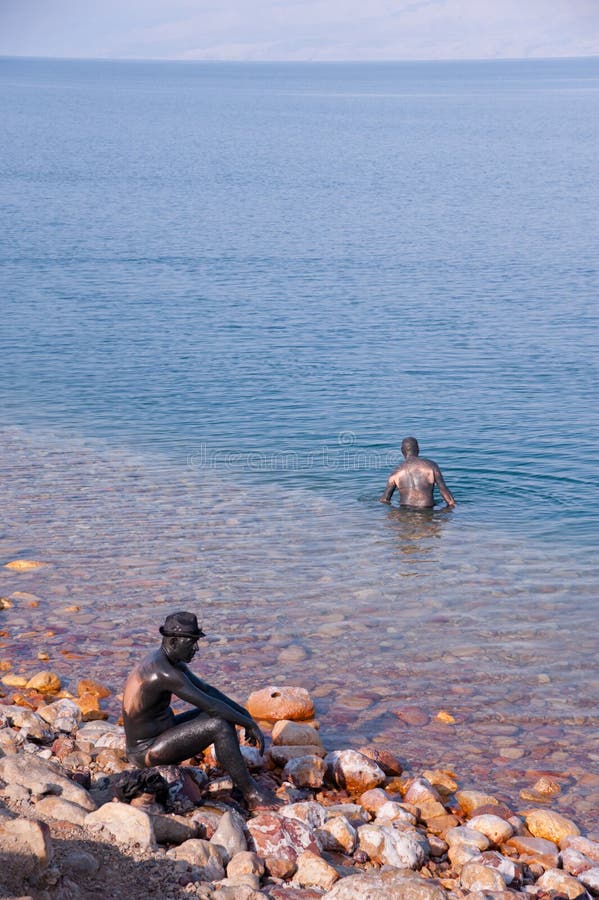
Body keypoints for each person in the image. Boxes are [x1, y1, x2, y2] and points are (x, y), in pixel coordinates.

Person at [122, 611, 276, 810]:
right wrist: (248, 724)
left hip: (161, 734)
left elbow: (209, 691)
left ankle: (238, 778)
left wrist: (245, 716)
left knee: (222, 717)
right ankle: (252, 794)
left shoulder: (167, 660)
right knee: (219, 724)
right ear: (174, 641)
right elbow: (209, 705)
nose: (196, 648)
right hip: (145, 751)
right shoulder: (164, 672)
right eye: (191, 642)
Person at [379, 437, 456, 509]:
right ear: (418, 449)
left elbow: (385, 499)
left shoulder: (396, 472)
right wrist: (452, 507)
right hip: (427, 512)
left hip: (404, 513)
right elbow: (443, 490)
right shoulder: (430, 465)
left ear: (402, 450)